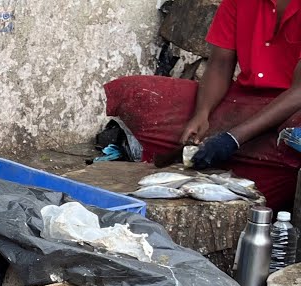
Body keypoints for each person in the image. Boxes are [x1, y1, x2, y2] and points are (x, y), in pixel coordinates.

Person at [104, 0, 301, 208]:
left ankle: (249, 166)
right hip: (242, 100)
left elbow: (298, 92)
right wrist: (202, 114)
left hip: (291, 107)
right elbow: (220, 63)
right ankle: (225, 160)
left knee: (291, 133)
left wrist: (232, 138)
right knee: (136, 92)